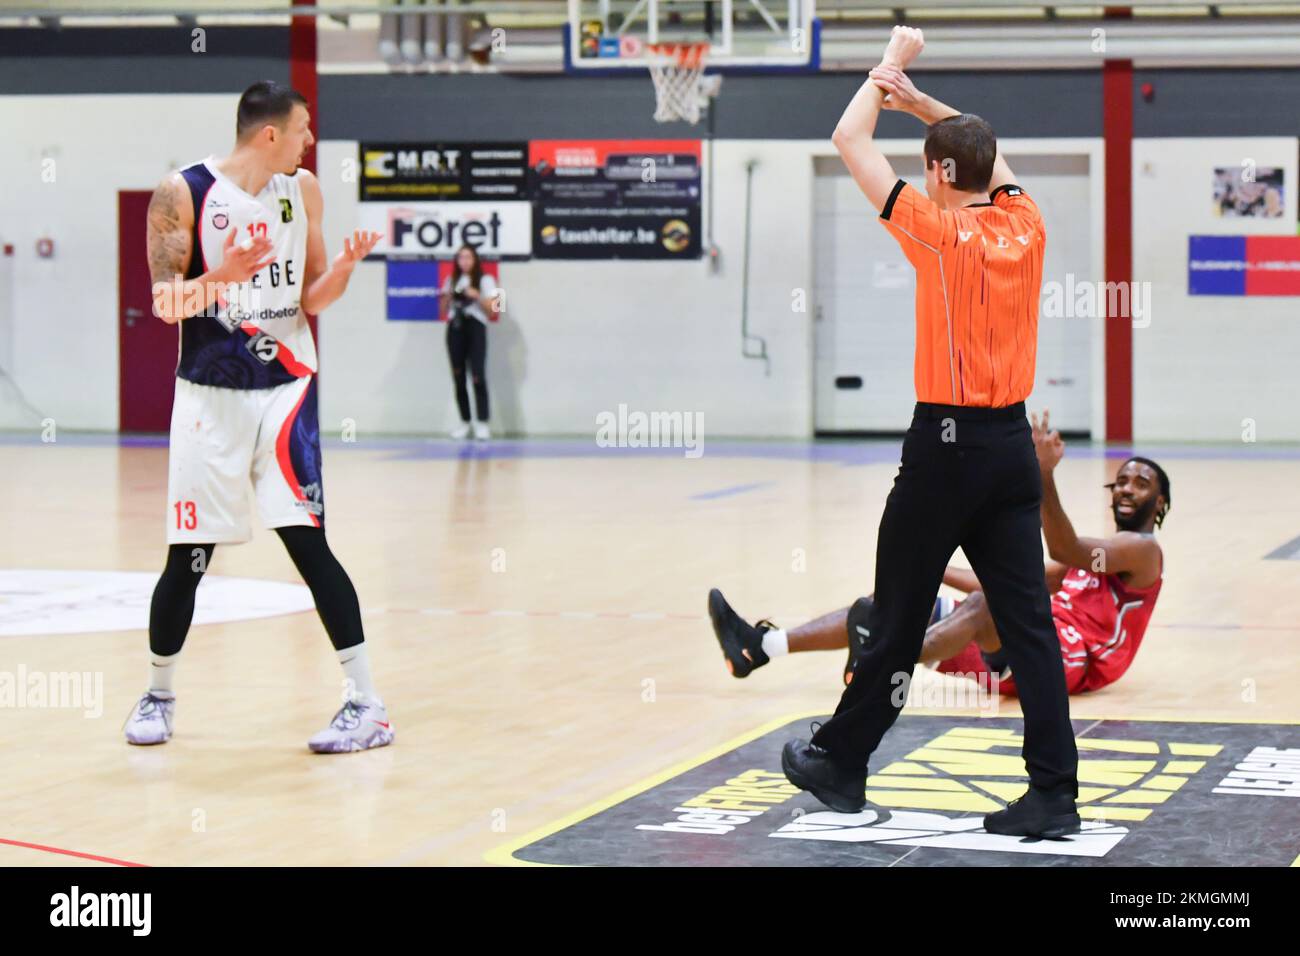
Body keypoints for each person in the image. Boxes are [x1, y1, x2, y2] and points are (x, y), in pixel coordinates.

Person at [774, 29, 1081, 839]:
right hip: (1010, 450)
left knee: (899, 614)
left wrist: (889, 70)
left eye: (931, 164)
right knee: (1029, 628)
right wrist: (924, 107)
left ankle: (841, 761)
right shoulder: (1028, 221)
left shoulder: (937, 233)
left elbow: (847, 138)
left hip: (944, 451)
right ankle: (1054, 794)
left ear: (941, 174)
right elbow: (989, 149)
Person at [129, 80, 393, 753]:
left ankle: (367, 705)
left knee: (308, 544)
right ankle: (159, 695)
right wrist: (225, 275)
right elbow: (165, 306)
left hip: (287, 386)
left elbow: (312, 298)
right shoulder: (181, 193)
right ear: (269, 133)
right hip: (207, 393)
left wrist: (344, 270)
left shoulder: (300, 190)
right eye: (303, 130)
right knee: (189, 556)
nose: (310, 142)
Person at [710, 415, 1169, 699]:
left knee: (987, 605)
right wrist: (925, 567)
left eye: (1141, 483)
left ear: (1160, 504)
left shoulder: (1143, 552)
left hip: (1069, 663)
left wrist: (1041, 473)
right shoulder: (1087, 566)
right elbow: (1014, 582)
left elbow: (1064, 546)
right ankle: (761, 647)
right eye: (1123, 480)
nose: (1128, 487)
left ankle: (879, 665)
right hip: (1026, 644)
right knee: (894, 602)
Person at [441, 243, 499, 440]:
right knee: (458, 377)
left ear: (475, 260)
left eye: (468, 257)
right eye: (461, 257)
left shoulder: (487, 279)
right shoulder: (451, 279)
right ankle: (465, 422)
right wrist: (448, 297)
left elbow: (495, 310)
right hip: (455, 328)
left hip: (476, 328)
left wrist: (476, 295)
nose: (464, 261)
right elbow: (442, 310)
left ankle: (482, 422)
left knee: (478, 376)